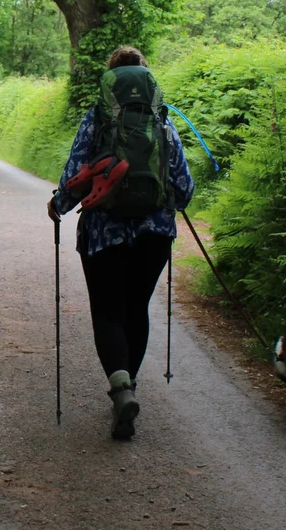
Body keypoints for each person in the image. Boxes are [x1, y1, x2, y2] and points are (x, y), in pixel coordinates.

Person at [47, 45, 195, 440]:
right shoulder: (163, 123)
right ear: (147, 79)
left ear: (110, 80)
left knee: (108, 311)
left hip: (104, 234)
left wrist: (58, 205)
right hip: (155, 236)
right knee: (136, 310)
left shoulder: (96, 119)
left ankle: (121, 389)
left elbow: (75, 174)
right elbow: (184, 188)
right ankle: (130, 386)